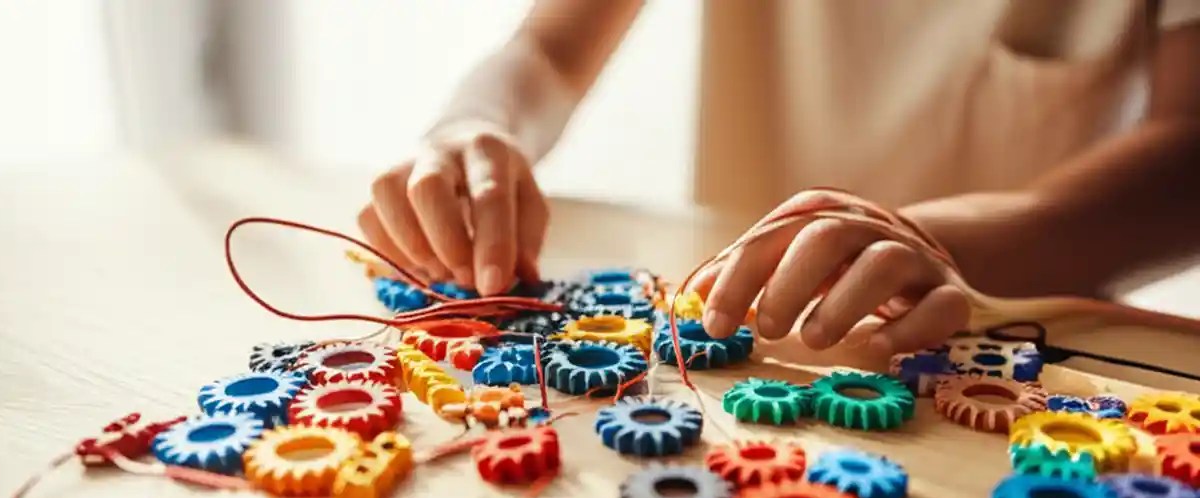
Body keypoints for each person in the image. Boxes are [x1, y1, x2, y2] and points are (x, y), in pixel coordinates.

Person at [356, 0, 1200, 355]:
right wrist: (474, 123)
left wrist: (942, 239)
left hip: (1018, 345)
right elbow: (549, 47)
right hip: (740, 343)